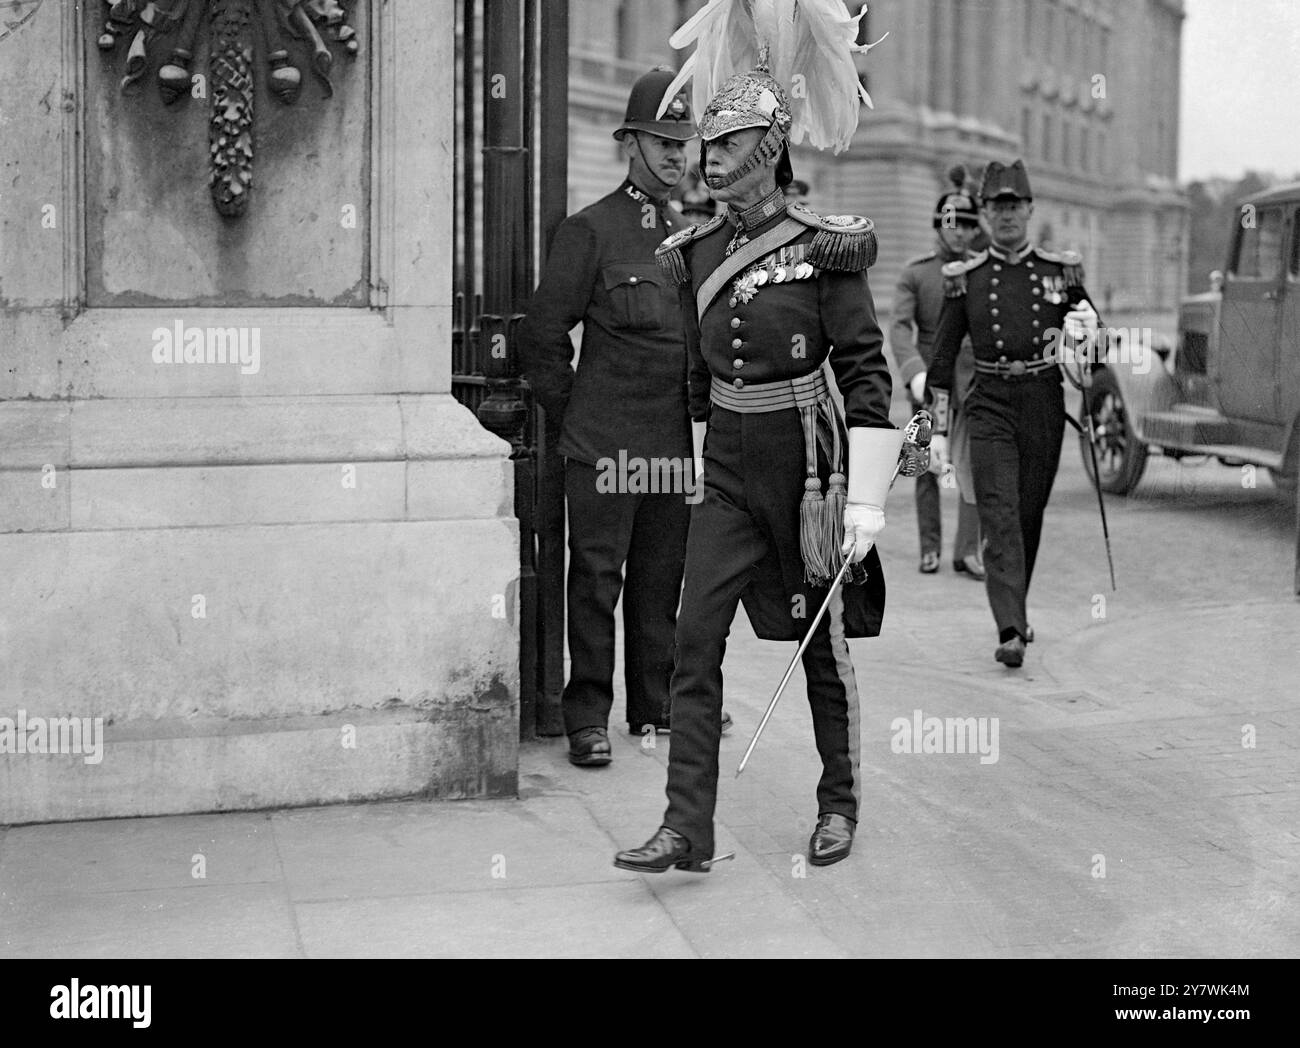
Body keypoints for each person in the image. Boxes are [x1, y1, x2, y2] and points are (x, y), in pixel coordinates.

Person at [614, 62, 902, 873]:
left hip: (807, 470)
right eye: (708, 139)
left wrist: (867, 496)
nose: (708, 154)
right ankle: (686, 828)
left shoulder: (825, 245)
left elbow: (867, 373)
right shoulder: (694, 251)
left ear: (771, 146)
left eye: (729, 139)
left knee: (822, 647)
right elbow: (698, 383)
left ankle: (839, 805)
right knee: (693, 639)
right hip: (729, 475)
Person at [518, 68, 719, 766]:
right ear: (629, 142)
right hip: (603, 446)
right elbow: (543, 333)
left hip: (668, 447)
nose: (674, 156)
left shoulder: (687, 237)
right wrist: (577, 415)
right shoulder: (590, 230)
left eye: (682, 144)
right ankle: (587, 717)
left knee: (661, 582)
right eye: (661, 142)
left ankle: (654, 706)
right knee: (596, 580)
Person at [925, 159, 1099, 667]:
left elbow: (1100, 352)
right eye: (996, 207)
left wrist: (1090, 330)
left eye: (1014, 207)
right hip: (990, 404)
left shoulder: (1059, 272)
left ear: (1028, 210)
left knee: (1027, 514)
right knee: (999, 514)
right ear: (984, 213)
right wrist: (935, 428)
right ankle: (1010, 628)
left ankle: (1016, 610)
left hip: (1042, 401)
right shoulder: (966, 279)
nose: (1006, 217)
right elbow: (941, 359)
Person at [888, 165, 985, 578]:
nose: (960, 233)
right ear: (938, 226)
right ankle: (930, 547)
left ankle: (966, 550)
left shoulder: (982, 270)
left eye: (968, 225)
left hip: (975, 382)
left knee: (973, 465)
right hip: (930, 382)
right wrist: (915, 373)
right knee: (925, 464)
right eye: (953, 225)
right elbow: (899, 327)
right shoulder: (917, 272)